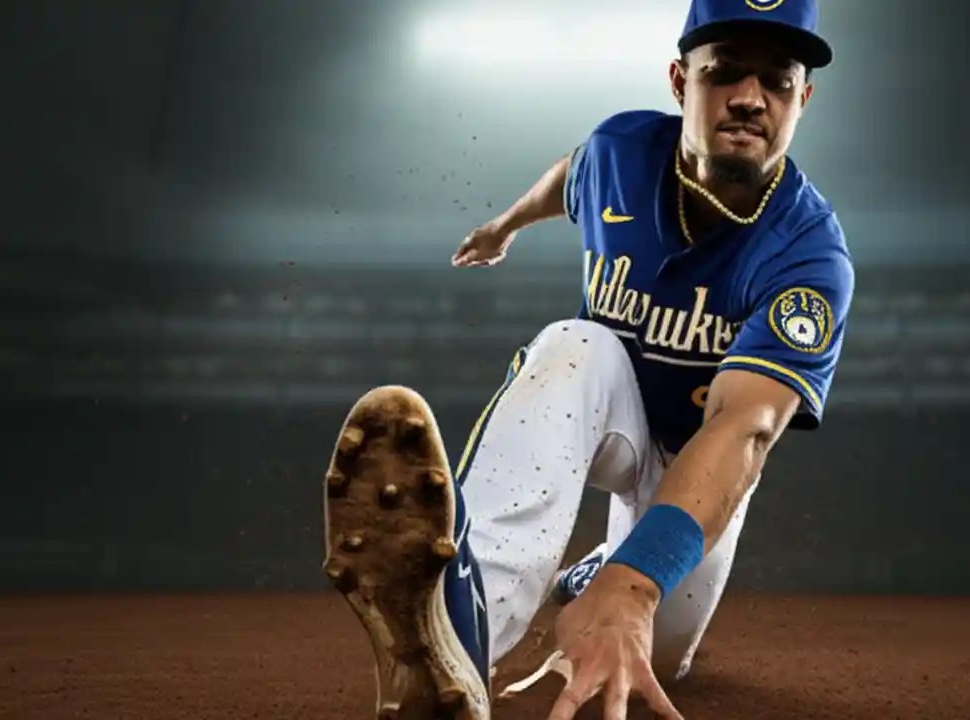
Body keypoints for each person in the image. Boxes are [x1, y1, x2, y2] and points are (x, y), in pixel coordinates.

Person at [320, 0, 853, 718]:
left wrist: (633, 583)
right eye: (725, 71)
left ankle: (603, 566)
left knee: (661, 653)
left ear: (802, 99)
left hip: (696, 455)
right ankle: (464, 622)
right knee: (574, 345)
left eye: (778, 81)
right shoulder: (620, 153)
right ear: (680, 80)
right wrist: (505, 224)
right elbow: (571, 177)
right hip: (606, 406)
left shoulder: (809, 254)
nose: (751, 98)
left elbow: (744, 430)